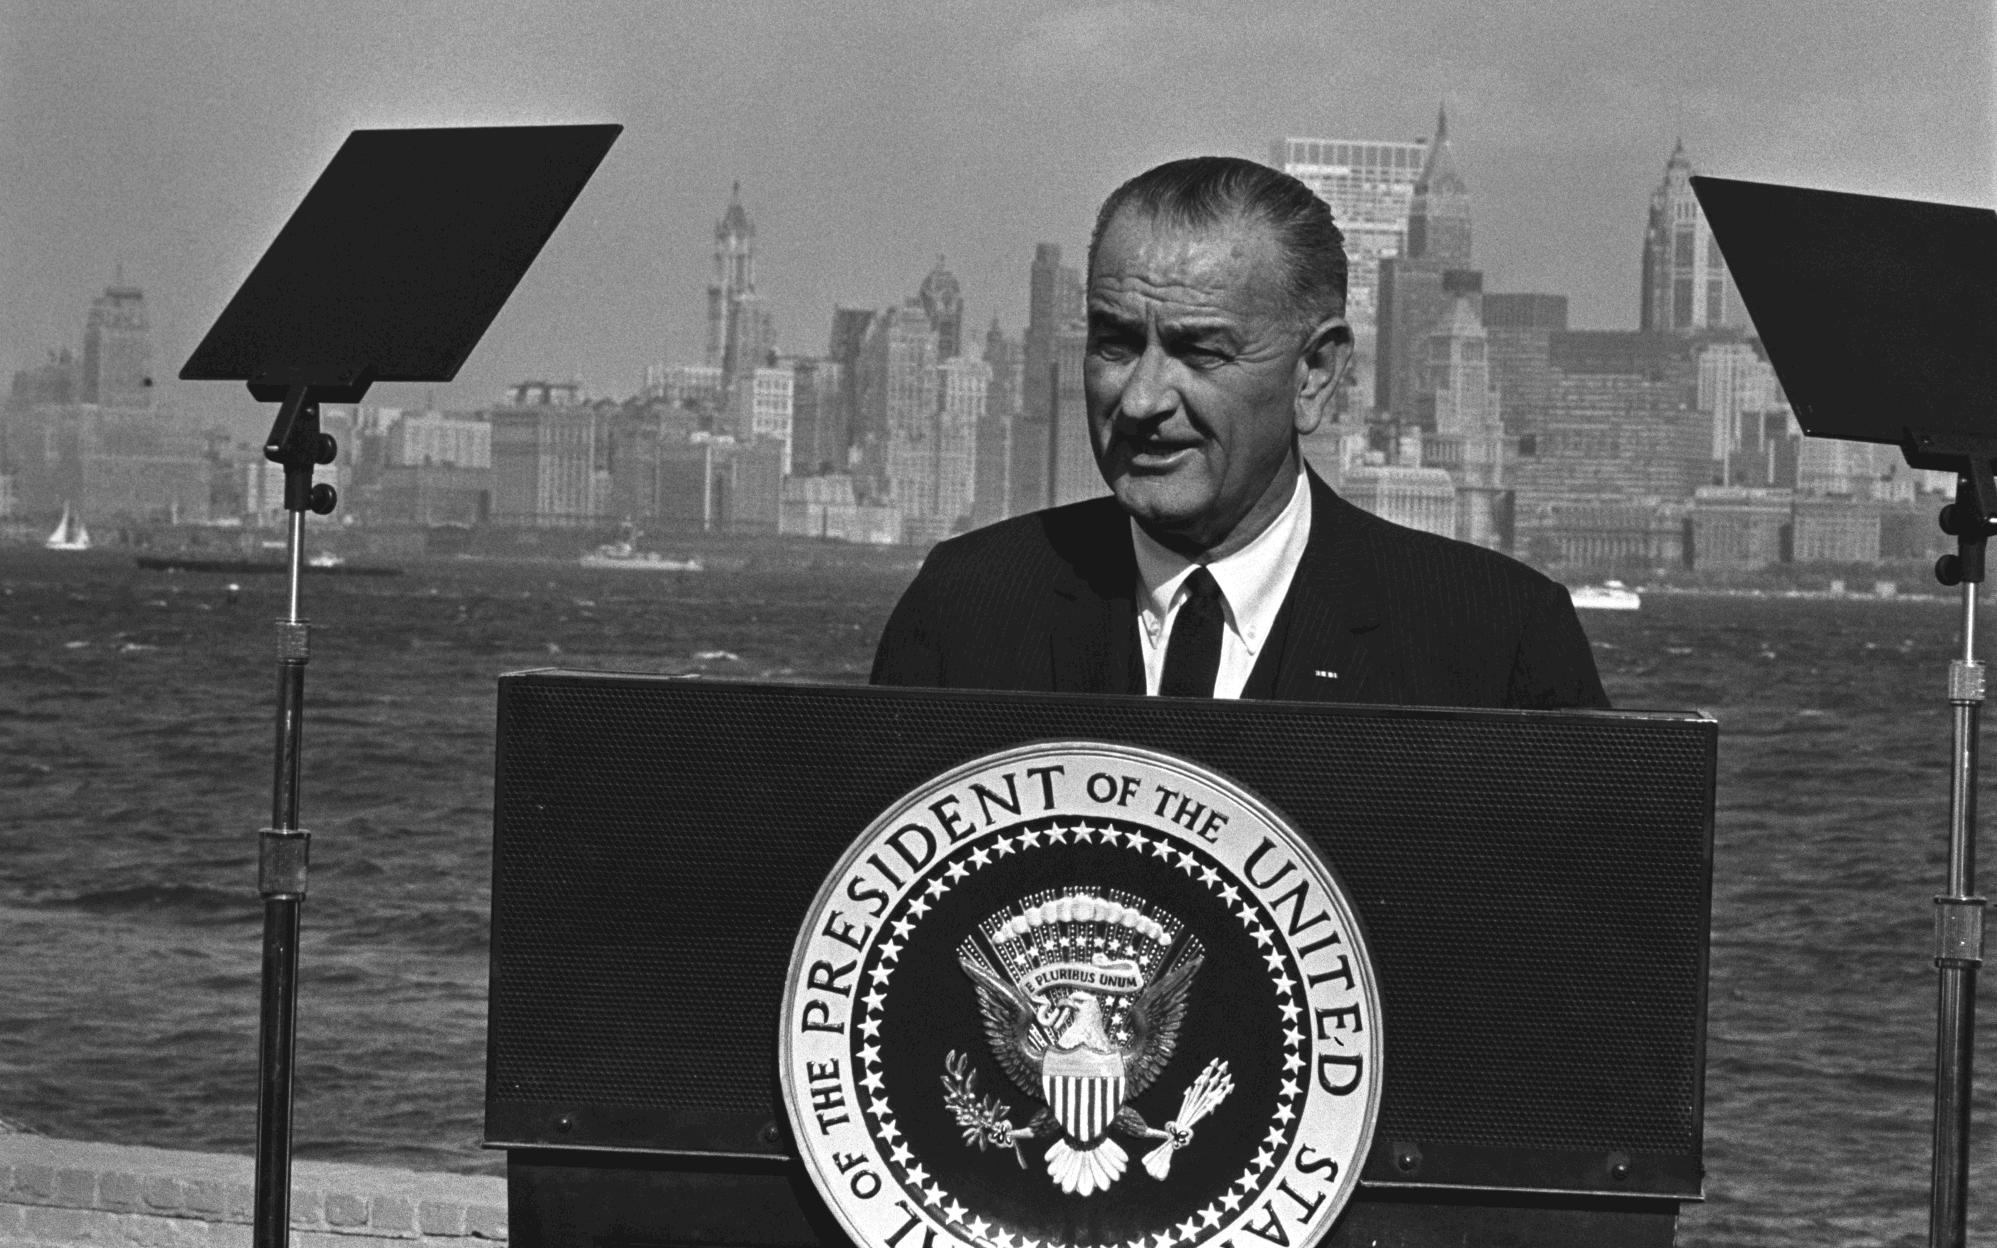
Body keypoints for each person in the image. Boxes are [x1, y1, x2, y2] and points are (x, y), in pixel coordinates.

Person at [871, 156, 1607, 710]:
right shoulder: (967, 607)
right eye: (1115, 344)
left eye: (1200, 352)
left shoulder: (1491, 638)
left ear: (1314, 375)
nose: (1142, 400)